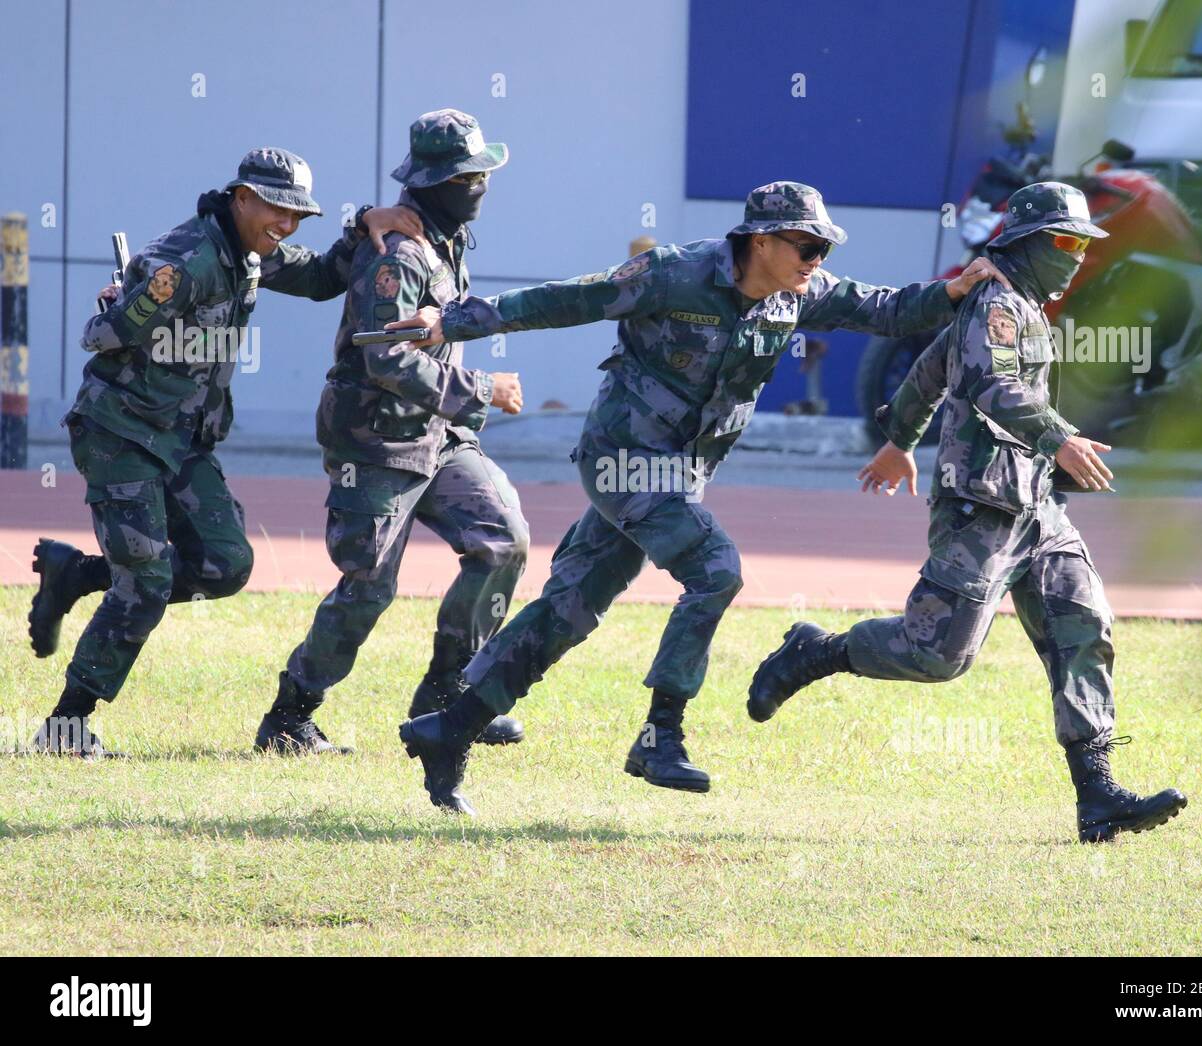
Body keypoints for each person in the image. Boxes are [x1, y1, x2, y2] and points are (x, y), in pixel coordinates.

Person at [387, 180, 1009, 815]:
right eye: (805, 243)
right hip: (623, 460)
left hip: (680, 472)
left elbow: (888, 309)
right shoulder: (672, 274)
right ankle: (661, 734)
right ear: (759, 240)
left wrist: (953, 291)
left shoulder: (797, 294)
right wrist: (452, 321)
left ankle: (450, 728)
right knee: (716, 571)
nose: (815, 258)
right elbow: (567, 299)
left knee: (571, 606)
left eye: (823, 246)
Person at [747, 181, 1188, 844]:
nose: (1074, 256)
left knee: (1082, 626)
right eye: (1065, 242)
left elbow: (933, 366)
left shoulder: (1022, 303)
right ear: (1027, 243)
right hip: (981, 505)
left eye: (1081, 244)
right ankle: (816, 652)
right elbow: (989, 382)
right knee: (938, 655)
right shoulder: (997, 304)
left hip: (1037, 506)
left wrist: (898, 439)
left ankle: (1098, 796)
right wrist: (1058, 437)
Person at [27, 148, 423, 758]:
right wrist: (128, 302)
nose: (285, 225)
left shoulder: (250, 255)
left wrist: (367, 223)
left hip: (182, 440)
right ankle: (66, 727)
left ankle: (78, 574)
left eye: (296, 216)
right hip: (122, 433)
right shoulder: (185, 263)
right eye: (275, 209)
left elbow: (320, 279)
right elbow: (96, 336)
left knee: (224, 565)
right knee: (149, 578)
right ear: (241, 197)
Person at [256, 110, 529, 754]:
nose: (482, 186)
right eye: (470, 175)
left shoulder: (444, 238)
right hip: (376, 439)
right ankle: (290, 715)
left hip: (440, 436)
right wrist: (482, 389)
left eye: (484, 172)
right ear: (436, 182)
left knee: (504, 541)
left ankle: (450, 696)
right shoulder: (397, 253)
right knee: (369, 586)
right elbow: (386, 358)